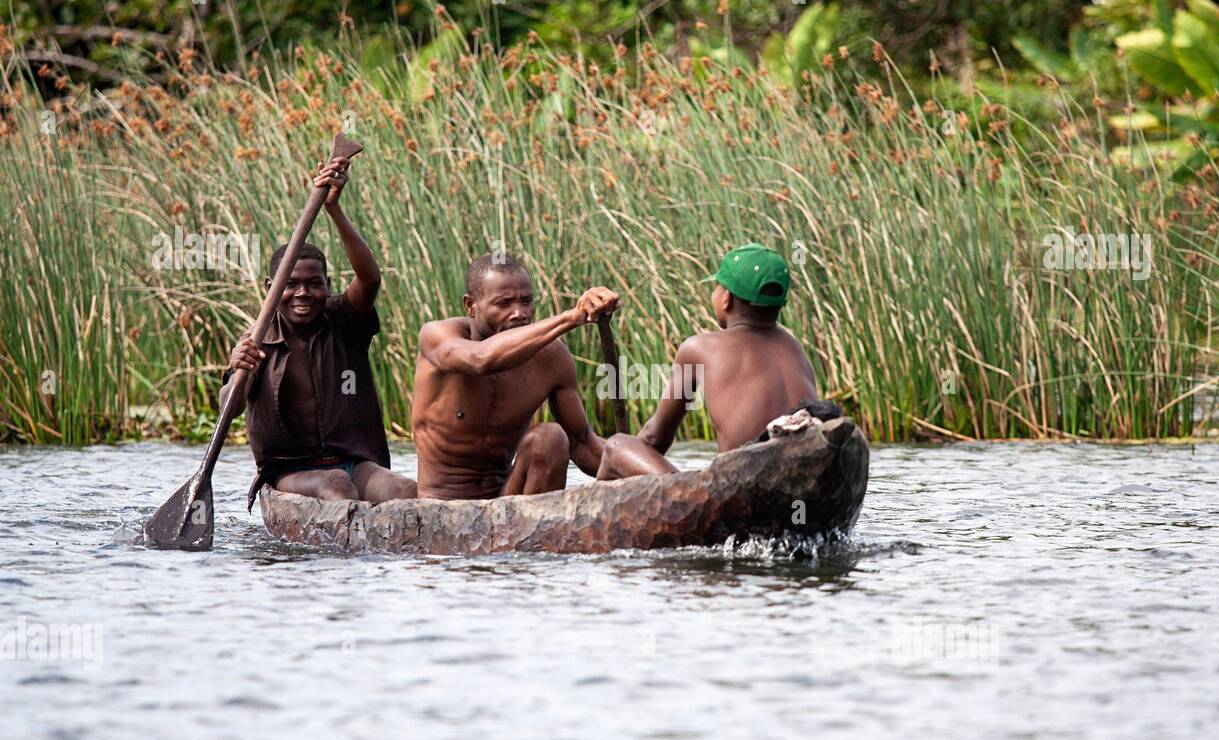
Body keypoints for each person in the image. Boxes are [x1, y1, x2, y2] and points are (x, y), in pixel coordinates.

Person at [221, 155, 416, 508]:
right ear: (270, 287)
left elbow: (370, 279)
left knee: (404, 491)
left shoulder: (343, 320)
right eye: (291, 284)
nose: (302, 293)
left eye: (314, 284)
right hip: (290, 471)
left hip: (353, 461)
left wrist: (334, 210)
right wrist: (239, 370)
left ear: (328, 285)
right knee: (336, 485)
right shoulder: (257, 340)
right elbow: (228, 409)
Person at [597, 243, 822, 480]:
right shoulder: (794, 348)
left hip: (743, 485)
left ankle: (592, 514)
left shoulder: (699, 348)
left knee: (617, 447)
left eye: (717, 287)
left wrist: (626, 460)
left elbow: (656, 438)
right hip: (803, 478)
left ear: (726, 299)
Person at [412, 252, 619, 499]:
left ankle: (531, 535)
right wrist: (572, 318)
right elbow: (481, 360)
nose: (520, 313)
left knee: (550, 438)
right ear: (470, 306)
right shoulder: (437, 336)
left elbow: (582, 444)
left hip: (507, 504)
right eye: (504, 304)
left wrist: (636, 470)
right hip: (441, 506)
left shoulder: (551, 357)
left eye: (527, 301)